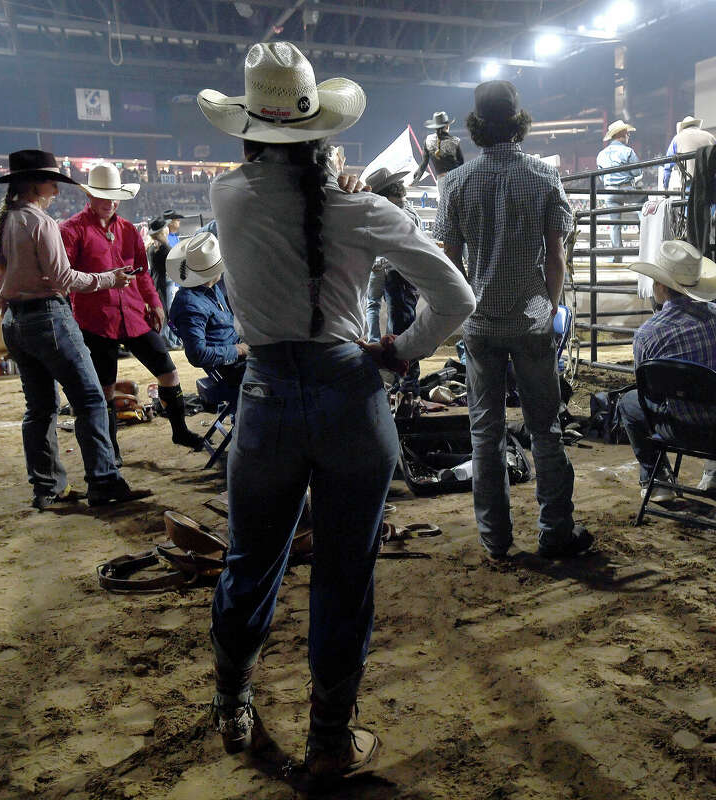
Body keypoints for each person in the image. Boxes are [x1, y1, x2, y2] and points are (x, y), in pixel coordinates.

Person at [197, 41, 475, 775]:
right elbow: (457, 298)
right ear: (321, 133)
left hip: (265, 399)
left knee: (253, 560)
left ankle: (232, 703)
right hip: (350, 393)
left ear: (251, 131)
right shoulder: (359, 211)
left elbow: (277, 198)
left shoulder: (228, 197)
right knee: (346, 572)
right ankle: (329, 739)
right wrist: (401, 349)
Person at [435, 79, 593, 561]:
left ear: (478, 127)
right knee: (545, 428)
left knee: (486, 432)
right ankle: (556, 533)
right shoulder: (544, 175)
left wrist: (469, 304)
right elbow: (556, 259)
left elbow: (449, 260)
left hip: (480, 324)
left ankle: (496, 539)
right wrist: (550, 305)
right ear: (519, 122)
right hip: (531, 321)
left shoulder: (457, 182)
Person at [0, 150, 150, 510]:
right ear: (35, 184)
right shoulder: (39, 223)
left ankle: (47, 489)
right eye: (51, 182)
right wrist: (111, 278)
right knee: (90, 398)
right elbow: (63, 278)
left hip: (15, 320)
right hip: (48, 315)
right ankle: (104, 481)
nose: (56, 190)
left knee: (40, 407)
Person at [60, 163, 205, 465]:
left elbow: (142, 275)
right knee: (105, 388)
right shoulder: (72, 230)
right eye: (104, 196)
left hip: (134, 315)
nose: (110, 203)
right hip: (95, 320)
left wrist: (154, 303)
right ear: (90, 196)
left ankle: (179, 430)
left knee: (168, 371)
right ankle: (111, 450)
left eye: (114, 197)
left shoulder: (128, 231)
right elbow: (66, 277)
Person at [618, 241, 716, 501]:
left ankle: (657, 480)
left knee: (628, 403)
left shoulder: (647, 334)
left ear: (660, 286)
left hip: (680, 431)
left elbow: (649, 395)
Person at [363, 165, 423, 394]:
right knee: (400, 329)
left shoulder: (398, 214)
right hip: (402, 277)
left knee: (401, 332)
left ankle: (408, 385)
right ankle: (403, 383)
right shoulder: (407, 211)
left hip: (399, 276)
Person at [165, 231, 247, 388]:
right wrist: (239, 349)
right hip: (232, 369)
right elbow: (198, 355)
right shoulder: (190, 304)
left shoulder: (210, 290)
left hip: (236, 358)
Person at [597, 120, 640, 263]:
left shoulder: (601, 154)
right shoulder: (628, 151)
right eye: (627, 134)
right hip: (626, 188)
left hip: (609, 192)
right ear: (621, 134)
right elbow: (637, 172)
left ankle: (617, 255)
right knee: (644, 203)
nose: (628, 136)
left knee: (614, 224)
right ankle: (645, 234)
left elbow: (602, 178)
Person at [147, 216, 183, 349]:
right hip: (166, 282)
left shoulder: (151, 248)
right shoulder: (165, 248)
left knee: (165, 310)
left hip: (157, 281)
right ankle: (168, 341)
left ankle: (169, 340)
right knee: (169, 312)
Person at [662, 116, 716, 192]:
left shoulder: (677, 139)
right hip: (709, 179)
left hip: (690, 180)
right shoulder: (710, 137)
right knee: (710, 201)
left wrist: (665, 187)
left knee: (690, 201)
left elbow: (667, 165)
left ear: (682, 128)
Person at [412, 110, 464, 184]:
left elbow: (424, 163)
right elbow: (461, 164)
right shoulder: (455, 141)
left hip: (440, 182)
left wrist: (416, 179)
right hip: (455, 180)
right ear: (447, 126)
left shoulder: (428, 140)